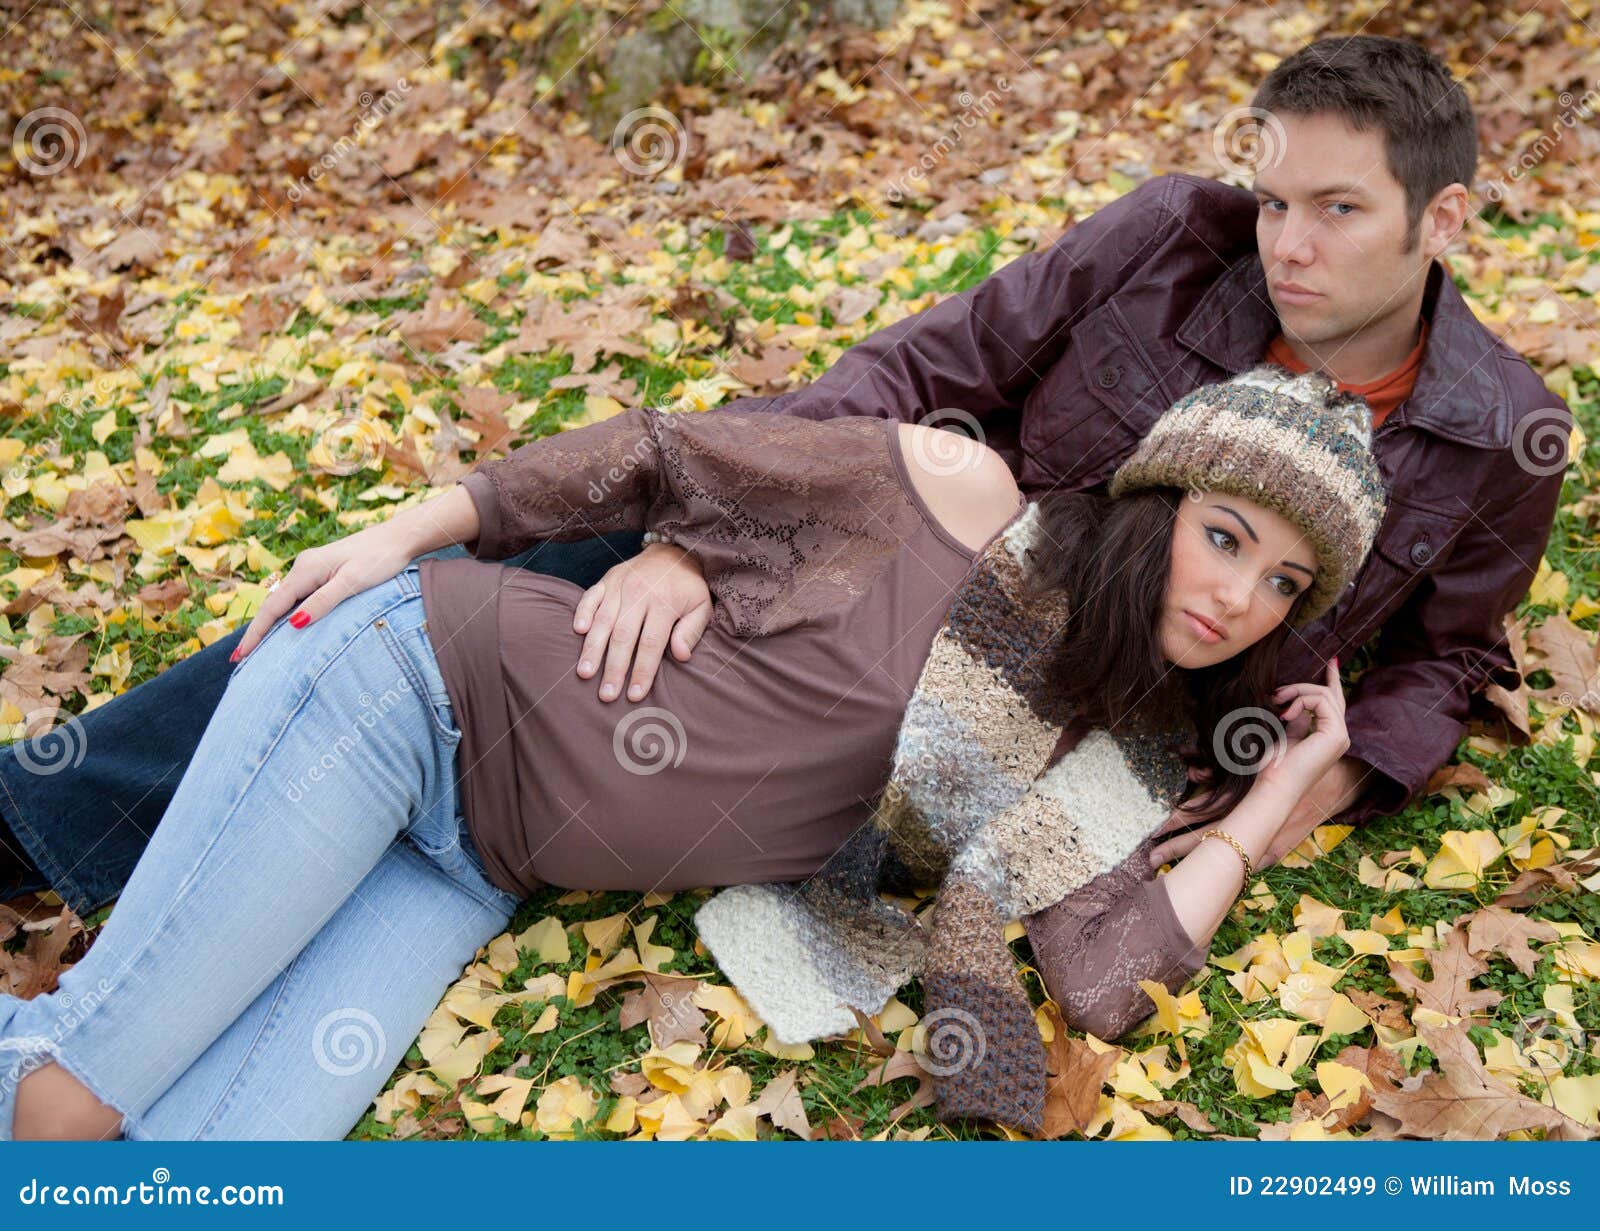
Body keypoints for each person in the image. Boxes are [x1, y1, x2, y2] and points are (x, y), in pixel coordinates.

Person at [0, 33, 1568, 1039]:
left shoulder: (1501, 437)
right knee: (535, 580)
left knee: (564, 715)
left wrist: (1310, 777)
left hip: (1070, 714)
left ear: (1444, 221)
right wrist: (713, 534)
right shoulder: (1171, 239)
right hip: (899, 571)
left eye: (1340, 211)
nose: (1289, 243)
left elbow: (1447, 660)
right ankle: (37, 826)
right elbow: (919, 371)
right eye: (1277, 198)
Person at [0, 361, 1386, 1139]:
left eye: (1283, 583)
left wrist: (1269, 798)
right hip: (407, 693)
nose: (1236, 597)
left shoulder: (1120, 763)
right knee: (64, 1107)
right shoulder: (963, 500)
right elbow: (669, 457)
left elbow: (1103, 978)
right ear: (1158, 503)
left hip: (470, 865)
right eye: (1224, 537)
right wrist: (412, 529)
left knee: (209, 1171)